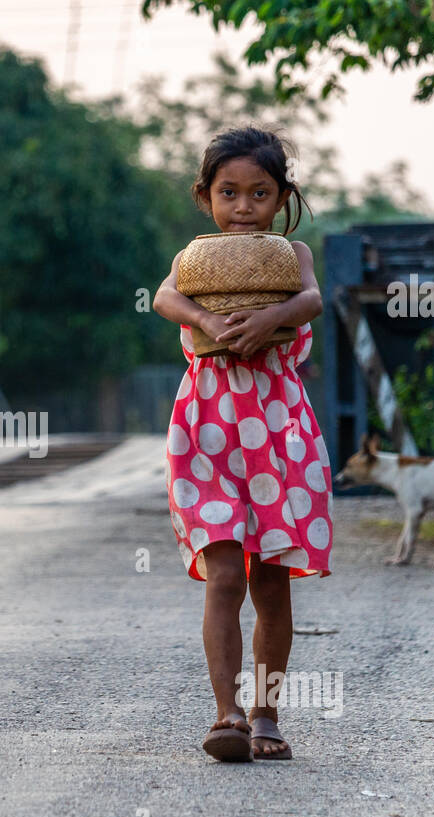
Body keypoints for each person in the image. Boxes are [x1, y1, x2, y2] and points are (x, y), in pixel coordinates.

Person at [152, 125, 330, 762]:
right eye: (230, 193)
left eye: (260, 193)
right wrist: (205, 321)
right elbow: (166, 297)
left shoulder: (293, 255)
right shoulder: (194, 258)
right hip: (207, 430)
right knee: (224, 574)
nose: (245, 206)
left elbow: (311, 299)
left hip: (280, 434)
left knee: (273, 582)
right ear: (206, 197)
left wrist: (269, 318)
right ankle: (226, 714)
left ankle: (266, 713)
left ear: (282, 197)